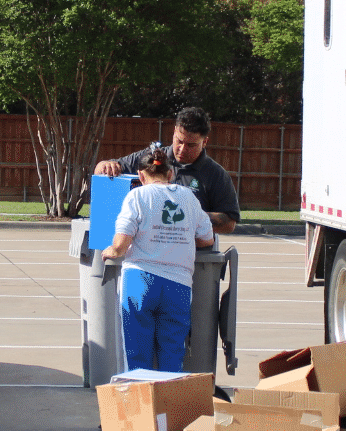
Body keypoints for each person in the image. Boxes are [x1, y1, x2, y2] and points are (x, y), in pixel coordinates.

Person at [102, 148, 216, 373]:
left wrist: (112, 251)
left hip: (140, 280)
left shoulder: (137, 195)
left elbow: (122, 242)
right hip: (179, 284)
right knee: (173, 354)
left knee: (137, 354)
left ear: (141, 176)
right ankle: (167, 406)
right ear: (171, 174)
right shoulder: (189, 198)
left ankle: (141, 405)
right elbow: (207, 238)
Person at [93, 106, 241, 234]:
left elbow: (229, 223)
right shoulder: (153, 158)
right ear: (174, 132)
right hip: (149, 253)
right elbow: (106, 168)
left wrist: (186, 216)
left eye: (191, 145)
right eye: (179, 141)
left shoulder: (215, 174)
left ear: (205, 142)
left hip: (193, 255)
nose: (182, 149)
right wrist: (105, 166)